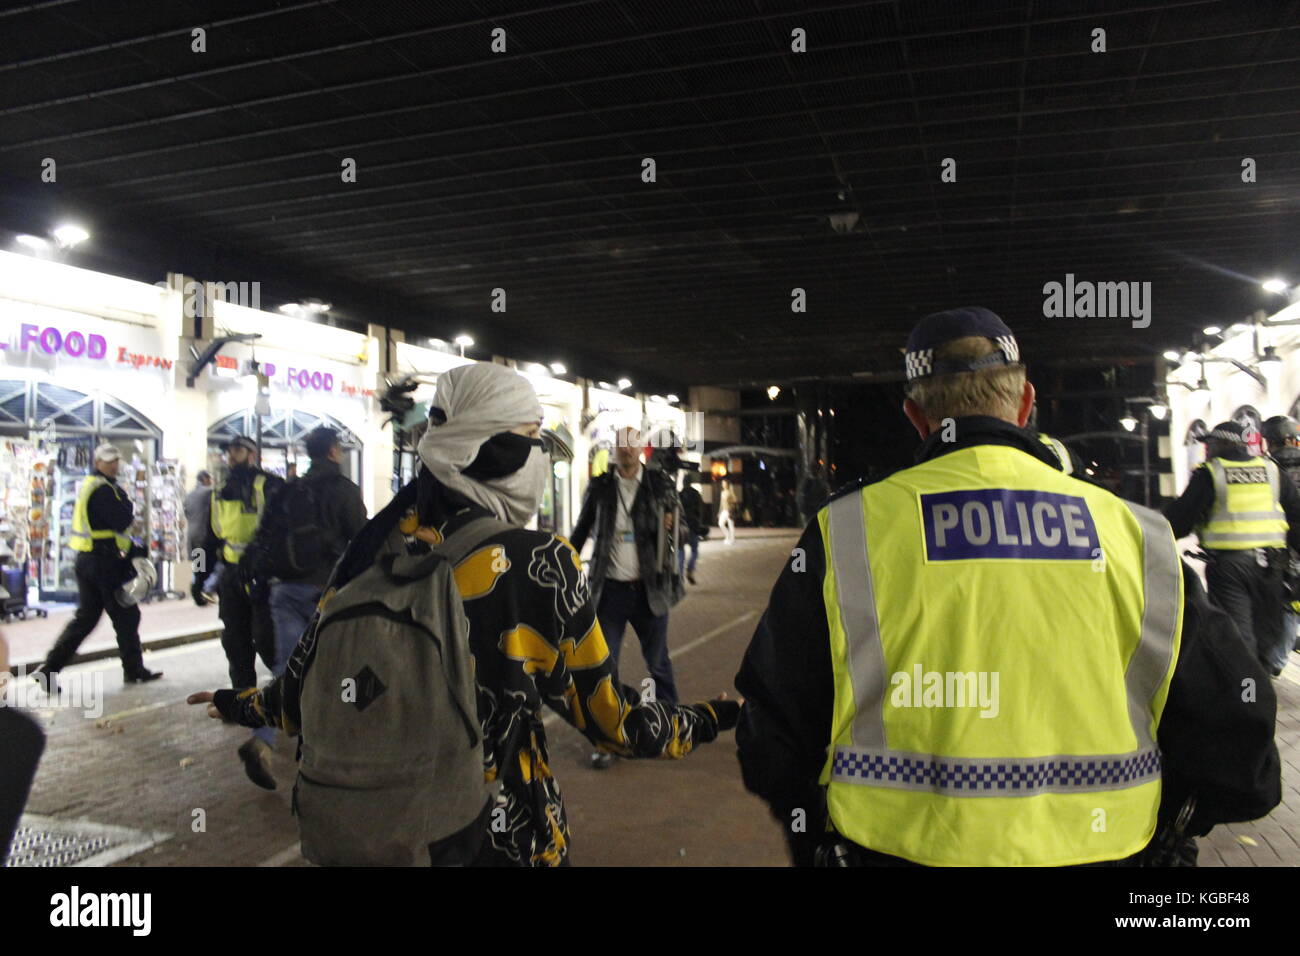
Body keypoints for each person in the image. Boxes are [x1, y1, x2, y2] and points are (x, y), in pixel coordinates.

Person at [736, 307, 1280, 867]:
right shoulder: (1138, 537)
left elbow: (771, 726)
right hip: (1106, 851)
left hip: (895, 853)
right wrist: (1173, 827)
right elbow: (1240, 720)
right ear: (1024, 405)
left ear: (917, 416)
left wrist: (814, 839)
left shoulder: (846, 531)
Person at [189, 361, 738, 866]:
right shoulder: (537, 563)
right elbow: (615, 725)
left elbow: (304, 692)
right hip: (499, 842)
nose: (542, 456)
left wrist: (235, 704)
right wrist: (712, 718)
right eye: (531, 439)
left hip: (386, 841)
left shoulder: (374, 546)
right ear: (492, 449)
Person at [234, 427, 367, 790]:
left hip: (285, 590)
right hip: (329, 592)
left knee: (284, 669)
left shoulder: (288, 490)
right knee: (340, 668)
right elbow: (362, 540)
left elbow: (263, 537)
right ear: (334, 452)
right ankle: (332, 756)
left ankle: (261, 741)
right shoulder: (344, 491)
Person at [571, 425, 683, 769]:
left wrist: (671, 523)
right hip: (610, 591)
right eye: (621, 444)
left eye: (632, 445)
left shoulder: (659, 484)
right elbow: (581, 528)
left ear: (642, 450)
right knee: (605, 667)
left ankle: (674, 727)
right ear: (615, 449)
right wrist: (564, 558)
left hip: (648, 588)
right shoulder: (602, 486)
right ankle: (609, 740)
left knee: (658, 662)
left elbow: (683, 524)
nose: (626, 450)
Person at [1164, 421, 1300, 677]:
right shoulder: (1271, 470)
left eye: (1209, 444)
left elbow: (1179, 521)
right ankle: (1259, 693)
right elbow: (1297, 515)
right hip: (1272, 566)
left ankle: (1248, 699)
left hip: (1230, 568)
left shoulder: (1211, 472)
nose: (1207, 450)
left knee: (1238, 638)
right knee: (1266, 636)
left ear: (1221, 444)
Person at [37, 444, 162, 687]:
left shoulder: (90, 485)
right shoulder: (104, 489)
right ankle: (134, 670)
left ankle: (50, 668)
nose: (114, 465)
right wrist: (127, 502)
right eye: (108, 461)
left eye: (116, 460)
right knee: (126, 614)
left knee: (86, 618)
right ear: (97, 463)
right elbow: (122, 518)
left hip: (88, 560)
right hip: (104, 562)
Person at [205, 436, 284, 690]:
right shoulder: (219, 491)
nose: (231, 456)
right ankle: (242, 697)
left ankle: (289, 693)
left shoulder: (269, 485)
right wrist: (199, 576)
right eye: (229, 452)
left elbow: (280, 531)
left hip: (261, 575)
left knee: (266, 638)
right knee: (234, 639)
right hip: (231, 576)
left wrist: (261, 560)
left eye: (237, 451)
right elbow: (209, 539)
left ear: (252, 454)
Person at [185, 469, 214, 605]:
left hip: (192, 533)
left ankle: (197, 589)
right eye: (209, 479)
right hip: (203, 535)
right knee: (211, 566)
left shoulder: (189, 495)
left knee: (198, 566)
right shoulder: (207, 492)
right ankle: (202, 590)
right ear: (204, 479)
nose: (211, 482)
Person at [678, 475, 704, 585]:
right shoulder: (696, 494)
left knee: (681, 551)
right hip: (693, 526)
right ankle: (690, 569)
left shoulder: (679, 494)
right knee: (694, 550)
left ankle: (679, 575)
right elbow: (700, 509)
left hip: (682, 526)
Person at [718, 480, 737, 545]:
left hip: (729, 510)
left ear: (727, 484)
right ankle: (727, 535)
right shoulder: (722, 492)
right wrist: (719, 511)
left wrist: (731, 511)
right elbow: (721, 503)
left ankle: (732, 539)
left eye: (724, 483)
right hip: (724, 510)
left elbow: (734, 502)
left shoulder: (730, 492)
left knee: (731, 525)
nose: (723, 484)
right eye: (722, 483)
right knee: (720, 523)